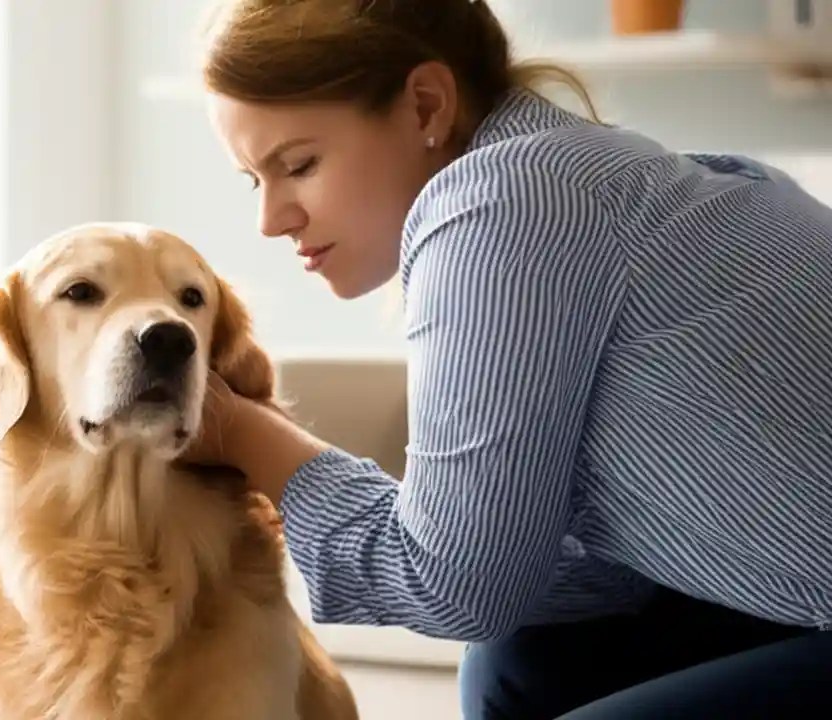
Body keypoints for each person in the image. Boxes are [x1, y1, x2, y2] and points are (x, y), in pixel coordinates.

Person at [181, 0, 832, 717]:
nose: (271, 220)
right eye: (255, 179)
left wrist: (246, 435)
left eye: (299, 165)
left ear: (426, 106)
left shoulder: (506, 198)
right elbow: (598, 576)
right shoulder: (607, 173)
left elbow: (455, 584)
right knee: (518, 659)